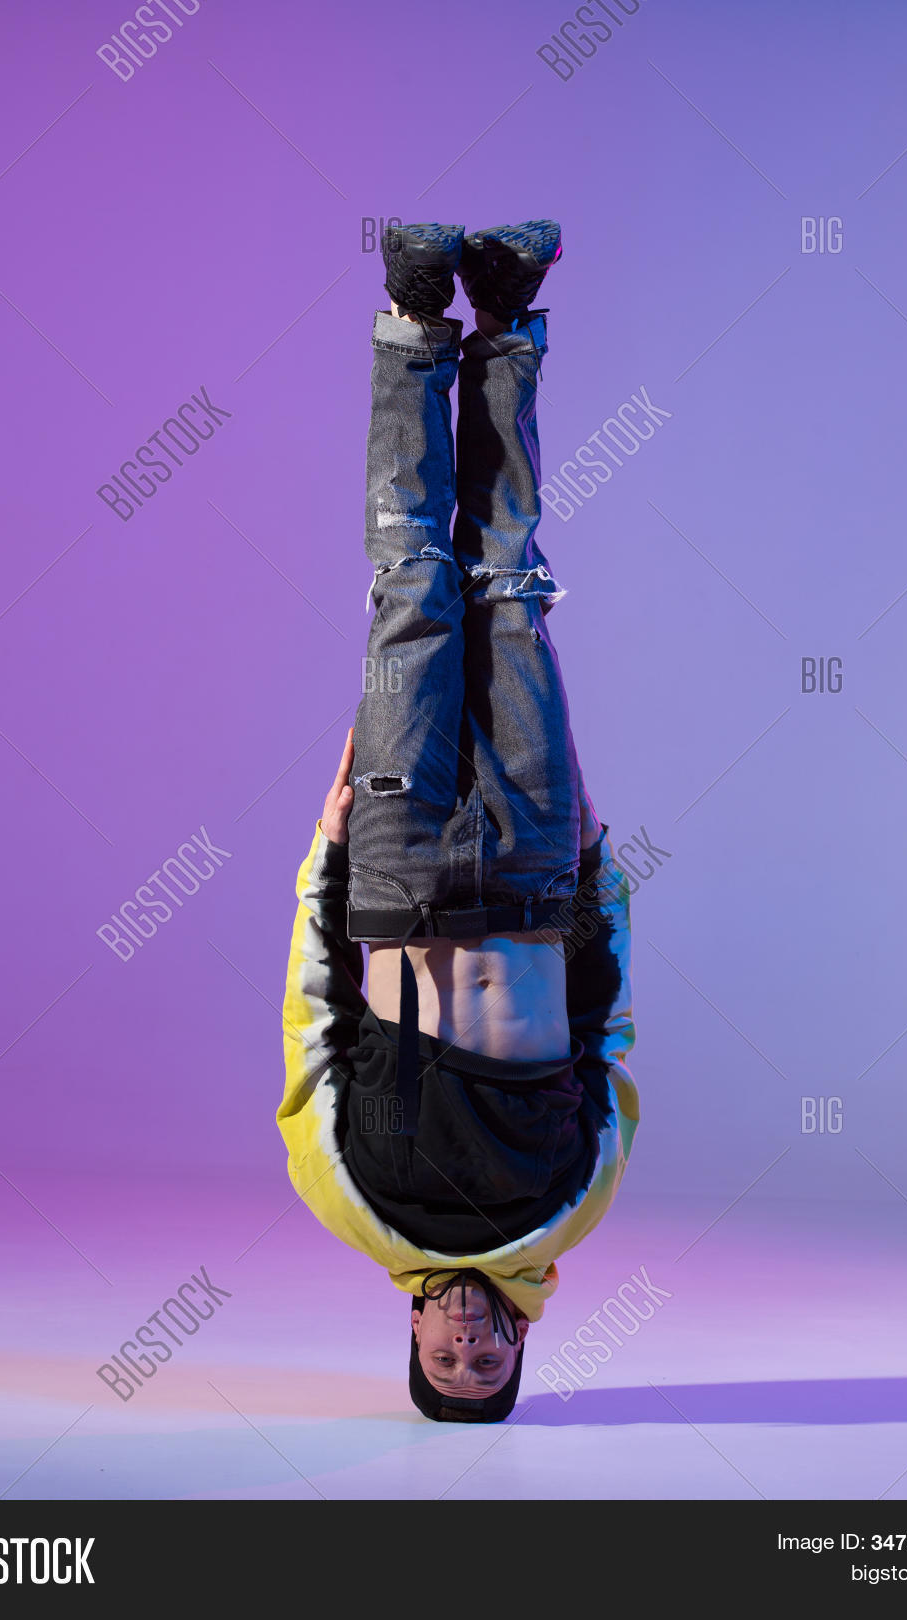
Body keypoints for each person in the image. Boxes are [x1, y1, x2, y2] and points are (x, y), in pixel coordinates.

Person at [279, 221, 638, 1423]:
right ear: (520, 1349)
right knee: (512, 576)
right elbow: (606, 1022)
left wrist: (325, 848)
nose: (472, 1347)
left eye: (450, 1366)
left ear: (418, 1342)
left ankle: (416, 320)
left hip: (394, 864)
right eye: (493, 1367)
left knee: (414, 584)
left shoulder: (354, 1202)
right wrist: (599, 859)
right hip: (538, 868)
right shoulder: (572, 1207)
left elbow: (315, 1017)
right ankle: (512, 320)